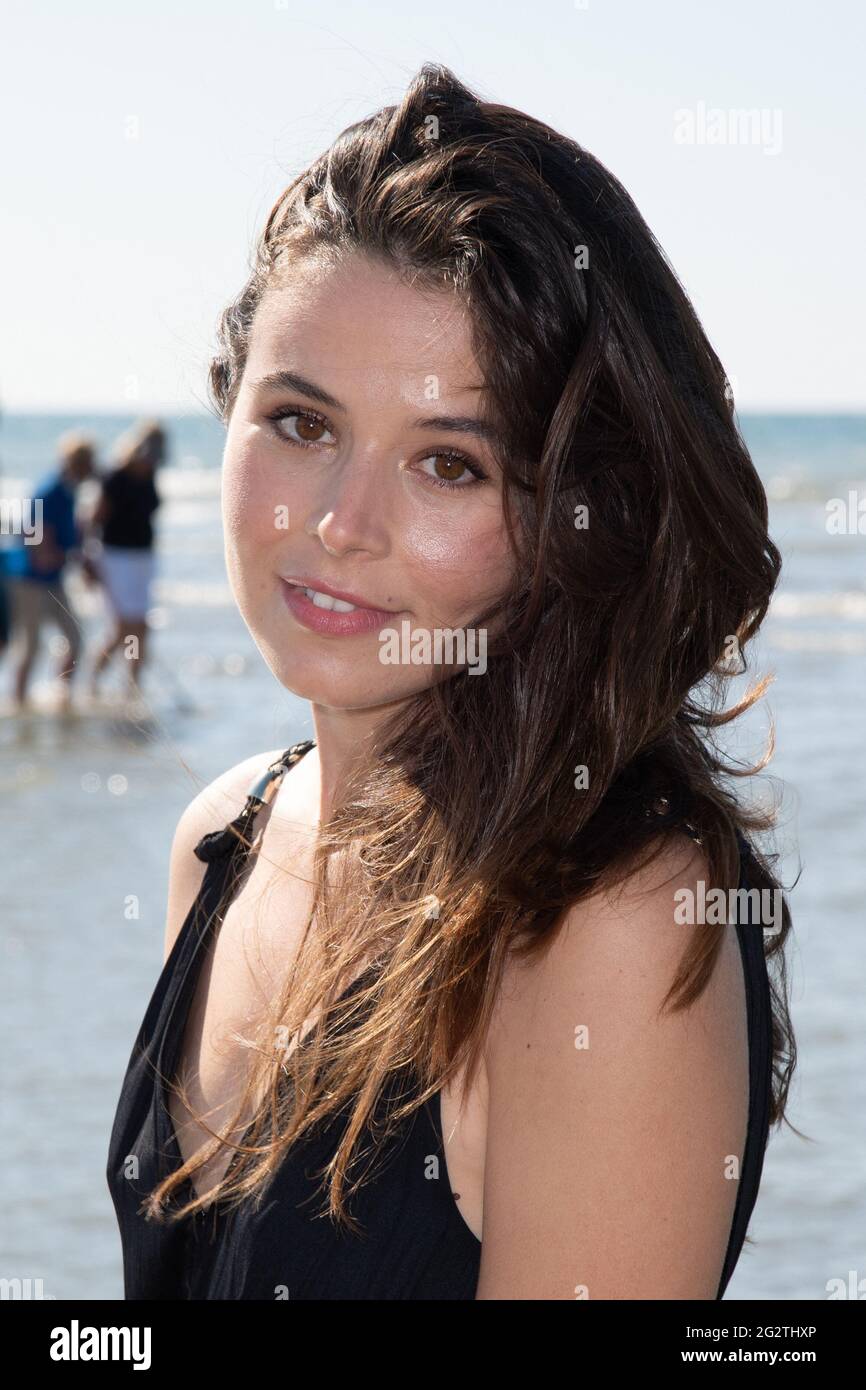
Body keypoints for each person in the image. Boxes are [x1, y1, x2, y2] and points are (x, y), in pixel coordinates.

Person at [107, 63, 796, 1301]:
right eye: (302, 424)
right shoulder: (225, 837)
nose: (339, 525)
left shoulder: (603, 924)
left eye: (448, 464)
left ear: (571, 519)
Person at [5, 430, 98, 710]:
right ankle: (17, 702)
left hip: (54, 580)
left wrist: (80, 556)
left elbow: (68, 539)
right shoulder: (48, 492)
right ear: (78, 463)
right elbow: (37, 545)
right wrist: (63, 554)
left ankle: (61, 694)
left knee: (75, 638)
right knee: (30, 646)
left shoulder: (69, 493)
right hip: (28, 581)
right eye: (89, 464)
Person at [88, 420, 163, 696]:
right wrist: (87, 560)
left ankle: (131, 689)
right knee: (121, 627)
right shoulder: (115, 477)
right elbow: (94, 519)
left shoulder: (151, 475)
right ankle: (92, 682)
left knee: (141, 627)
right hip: (115, 557)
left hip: (143, 557)